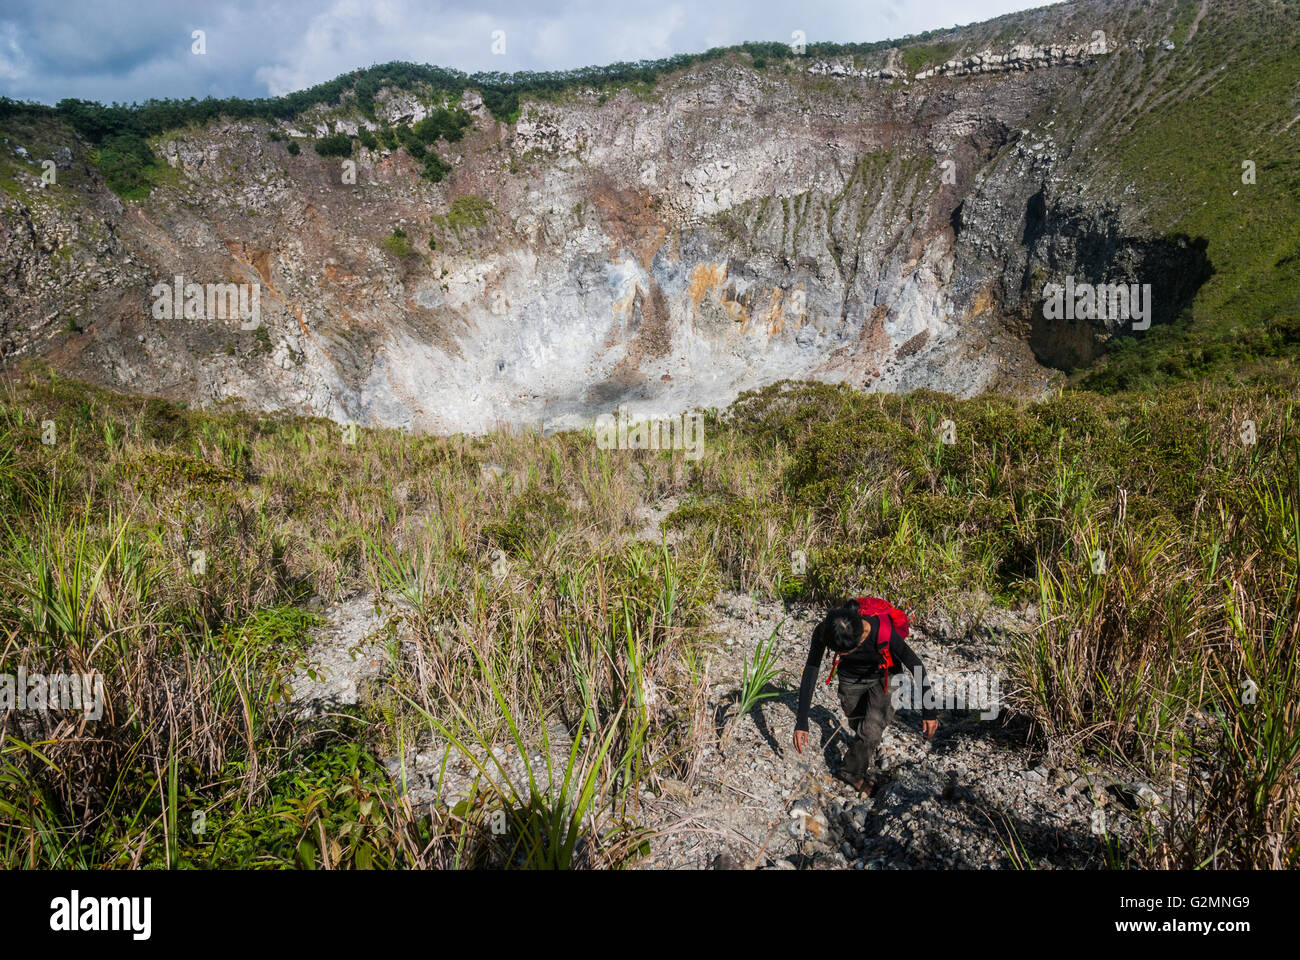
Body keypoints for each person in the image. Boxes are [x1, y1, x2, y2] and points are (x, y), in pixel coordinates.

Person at [791, 604, 938, 794]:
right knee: (859, 725)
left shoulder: (882, 630)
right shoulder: (825, 630)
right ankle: (866, 747)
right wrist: (802, 721)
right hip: (851, 679)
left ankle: (851, 772)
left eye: (844, 652)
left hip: (886, 676)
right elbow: (811, 669)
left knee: (870, 730)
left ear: (859, 639)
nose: (841, 655)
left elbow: (915, 664)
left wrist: (930, 710)